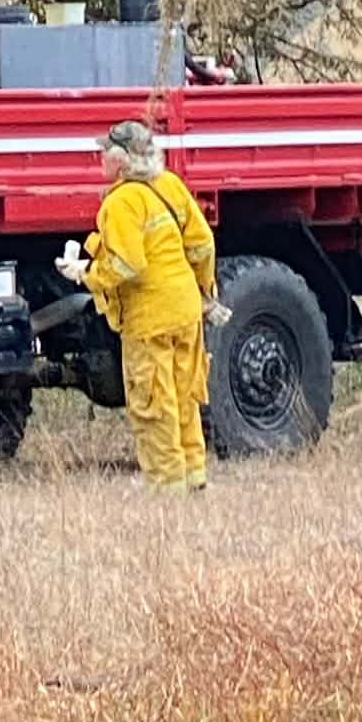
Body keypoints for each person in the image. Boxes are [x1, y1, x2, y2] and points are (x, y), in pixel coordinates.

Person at [56, 120, 228, 491]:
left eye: (105, 151)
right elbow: (203, 245)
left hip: (150, 318)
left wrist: (85, 274)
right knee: (184, 395)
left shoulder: (120, 202)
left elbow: (126, 264)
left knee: (153, 401)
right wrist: (204, 290)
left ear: (122, 160)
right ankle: (194, 475)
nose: (100, 157)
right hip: (185, 308)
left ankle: (166, 484)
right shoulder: (170, 185)